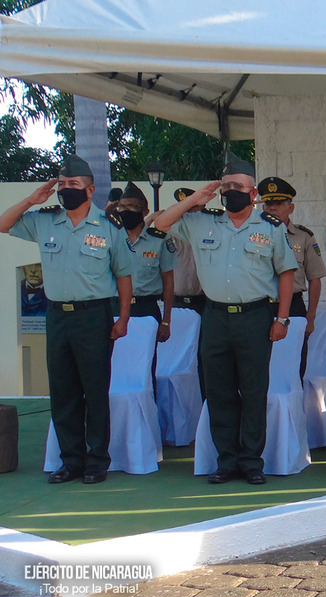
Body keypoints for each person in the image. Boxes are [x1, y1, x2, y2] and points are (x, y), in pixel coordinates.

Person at [154, 152, 297, 485]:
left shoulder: (270, 228)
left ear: (253, 195)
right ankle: (226, 460)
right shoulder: (203, 221)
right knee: (218, 391)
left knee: (253, 390)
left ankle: (251, 461)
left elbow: (287, 272)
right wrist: (194, 199)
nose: (231, 190)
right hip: (215, 317)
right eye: (227, 185)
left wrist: (283, 318)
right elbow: (159, 223)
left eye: (239, 186)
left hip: (255, 316)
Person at [0, 154, 133, 485]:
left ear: (90, 191)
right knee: (63, 391)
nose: (65, 189)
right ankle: (71, 460)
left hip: (94, 316)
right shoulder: (45, 220)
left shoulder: (109, 227)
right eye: (61, 184)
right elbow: (3, 224)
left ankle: (97, 460)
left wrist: (124, 317)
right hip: (57, 316)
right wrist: (32, 199)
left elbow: (124, 275)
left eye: (73, 185)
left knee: (95, 390)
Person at [258, 176, 326, 378]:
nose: (272, 208)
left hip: (293, 307)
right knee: (259, 366)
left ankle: (293, 407)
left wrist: (311, 317)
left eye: (278, 204)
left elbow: (315, 278)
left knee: (294, 367)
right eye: (268, 203)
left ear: (291, 208)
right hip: (259, 306)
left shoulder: (303, 237)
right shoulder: (252, 234)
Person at [118, 181, 175, 336]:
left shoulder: (158, 240)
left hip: (146, 308)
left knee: (148, 358)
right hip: (115, 307)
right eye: (121, 206)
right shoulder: (112, 239)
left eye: (131, 206)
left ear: (144, 211)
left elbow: (168, 281)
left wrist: (166, 320)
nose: (125, 211)